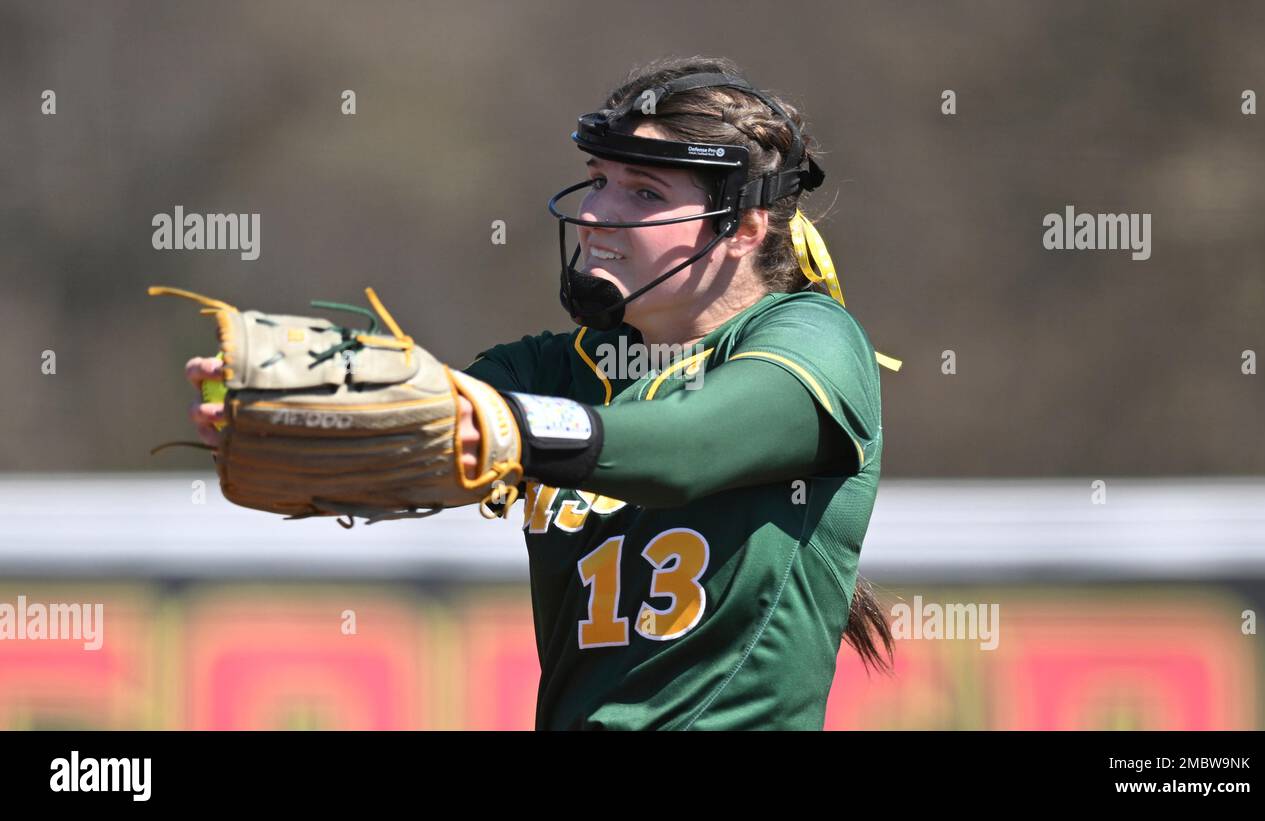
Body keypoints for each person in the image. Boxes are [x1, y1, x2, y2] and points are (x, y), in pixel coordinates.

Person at [185, 55, 897, 730]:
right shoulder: (549, 370)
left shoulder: (813, 339)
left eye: (644, 192)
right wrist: (324, 435)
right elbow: (428, 448)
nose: (595, 213)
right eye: (598, 179)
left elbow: (688, 448)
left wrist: (512, 431)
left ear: (743, 228)